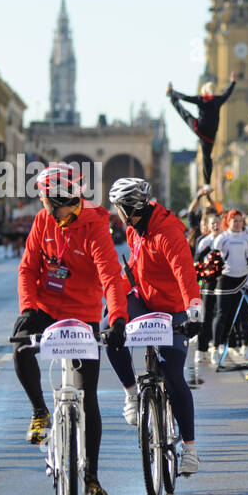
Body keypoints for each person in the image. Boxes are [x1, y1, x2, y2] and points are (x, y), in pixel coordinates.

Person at [13, 163, 128, 495]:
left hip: (82, 314)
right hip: (45, 307)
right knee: (20, 346)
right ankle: (39, 411)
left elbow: (110, 275)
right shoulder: (43, 220)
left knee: (86, 394)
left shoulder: (95, 227)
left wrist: (117, 317)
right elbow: (27, 268)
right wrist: (28, 308)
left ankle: (91, 476)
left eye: (45, 199)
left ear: (57, 198)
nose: (42, 204)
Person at [104, 178, 204, 474]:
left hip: (175, 309)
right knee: (112, 324)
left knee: (173, 374)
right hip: (145, 300)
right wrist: (116, 302)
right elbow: (133, 271)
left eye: (117, 209)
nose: (116, 214)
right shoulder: (136, 229)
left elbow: (185, 273)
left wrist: (194, 311)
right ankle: (132, 393)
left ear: (128, 208)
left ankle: (190, 449)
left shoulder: (168, 232)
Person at [167, 72, 240, 189]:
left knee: (186, 115)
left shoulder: (201, 99)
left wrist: (172, 92)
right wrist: (233, 82)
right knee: (207, 157)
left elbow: (185, 97)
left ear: (204, 91)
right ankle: (207, 184)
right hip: (211, 134)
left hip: (200, 129)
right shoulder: (218, 100)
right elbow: (227, 93)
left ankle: (172, 100)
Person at [213, 209, 248, 364]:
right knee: (221, 315)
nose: (238, 223)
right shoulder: (222, 238)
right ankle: (215, 348)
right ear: (228, 221)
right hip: (225, 279)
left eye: (240, 221)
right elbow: (212, 259)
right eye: (235, 220)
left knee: (245, 316)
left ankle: (245, 348)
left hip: (243, 280)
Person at [192, 211, 222, 363]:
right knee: (206, 315)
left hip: (223, 282)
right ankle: (201, 349)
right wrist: (208, 249)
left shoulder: (226, 240)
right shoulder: (204, 241)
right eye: (213, 223)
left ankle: (216, 346)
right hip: (207, 282)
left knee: (220, 315)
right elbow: (197, 259)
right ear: (209, 226)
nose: (216, 225)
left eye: (218, 222)